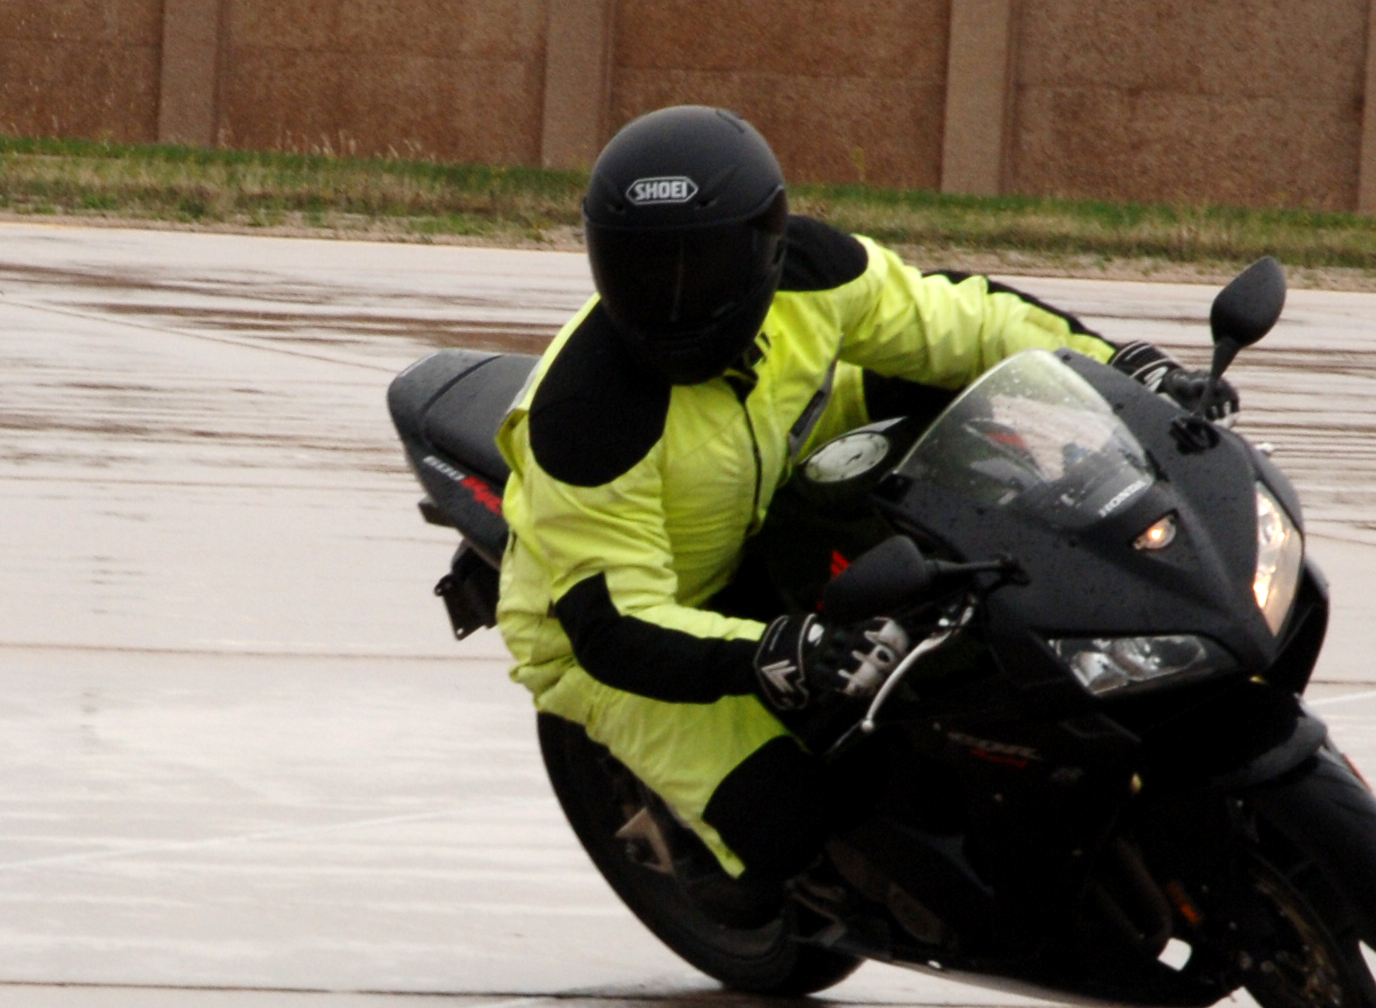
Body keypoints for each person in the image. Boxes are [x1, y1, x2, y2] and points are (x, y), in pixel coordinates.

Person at [494, 105, 1231, 911]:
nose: (672, 300)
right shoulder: (587, 418)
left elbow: (962, 321)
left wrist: (1125, 368)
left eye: (699, 269)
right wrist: (786, 650)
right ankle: (724, 866)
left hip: (773, 479)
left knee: (948, 382)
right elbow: (615, 625)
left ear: (766, 246)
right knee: (790, 820)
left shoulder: (815, 272)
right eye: (641, 273)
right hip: (624, 629)